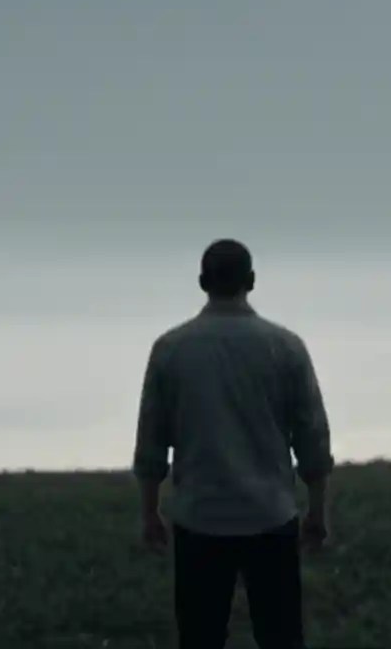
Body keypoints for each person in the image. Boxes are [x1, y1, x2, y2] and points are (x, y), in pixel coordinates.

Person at [132, 238, 335, 649]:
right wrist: (316, 511)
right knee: (281, 637)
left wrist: (150, 512)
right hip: (271, 516)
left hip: (198, 518)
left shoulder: (170, 349)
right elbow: (312, 435)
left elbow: (152, 438)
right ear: (252, 281)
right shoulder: (286, 346)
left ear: (202, 281)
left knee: (200, 638)